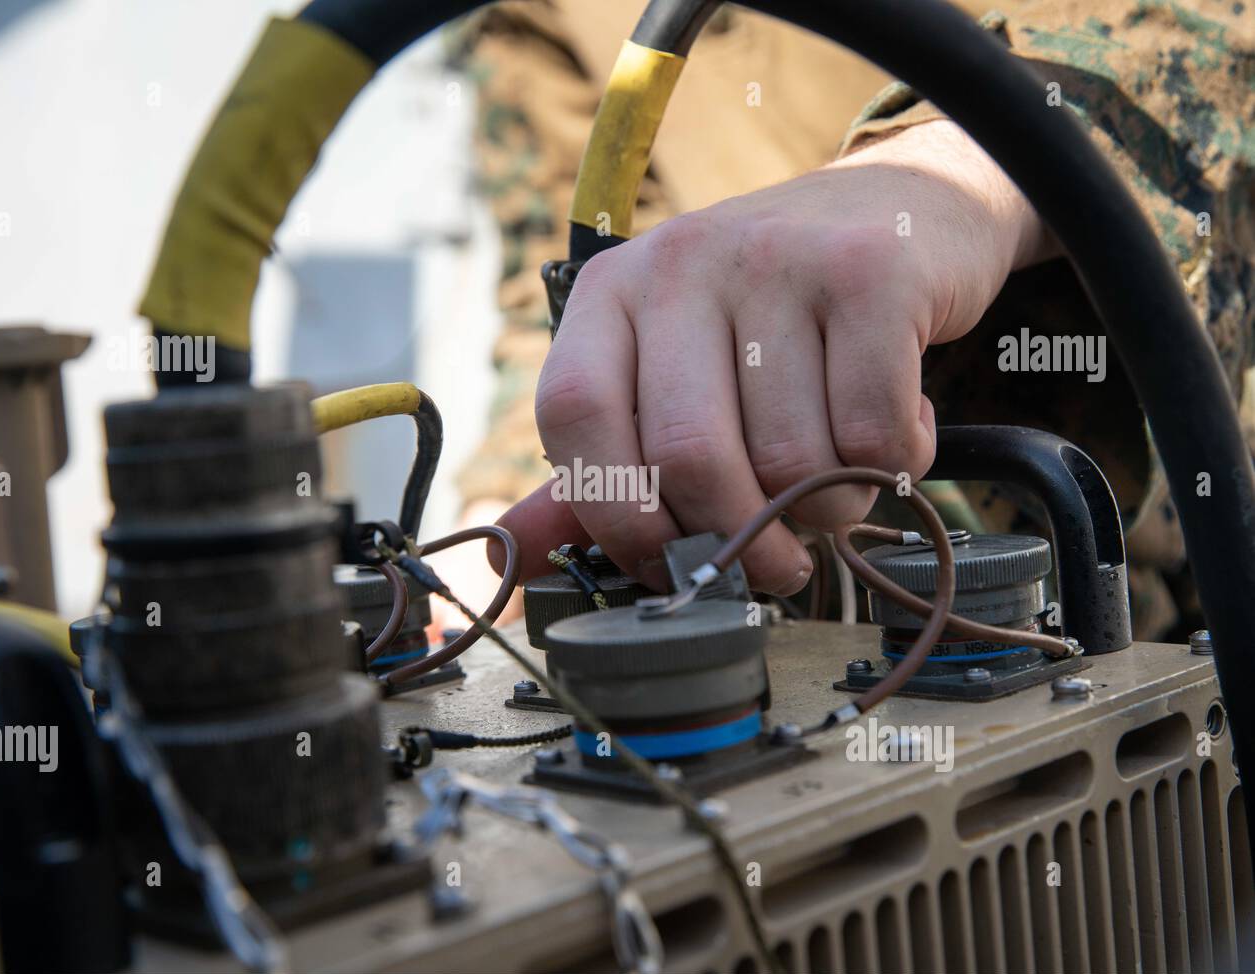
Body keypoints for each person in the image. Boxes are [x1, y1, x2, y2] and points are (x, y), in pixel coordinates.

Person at [455, 0, 1255, 640]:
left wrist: (960, 170)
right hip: (800, 613)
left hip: (1169, 596)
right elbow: (561, 302)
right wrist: (499, 503)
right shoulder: (541, 20)